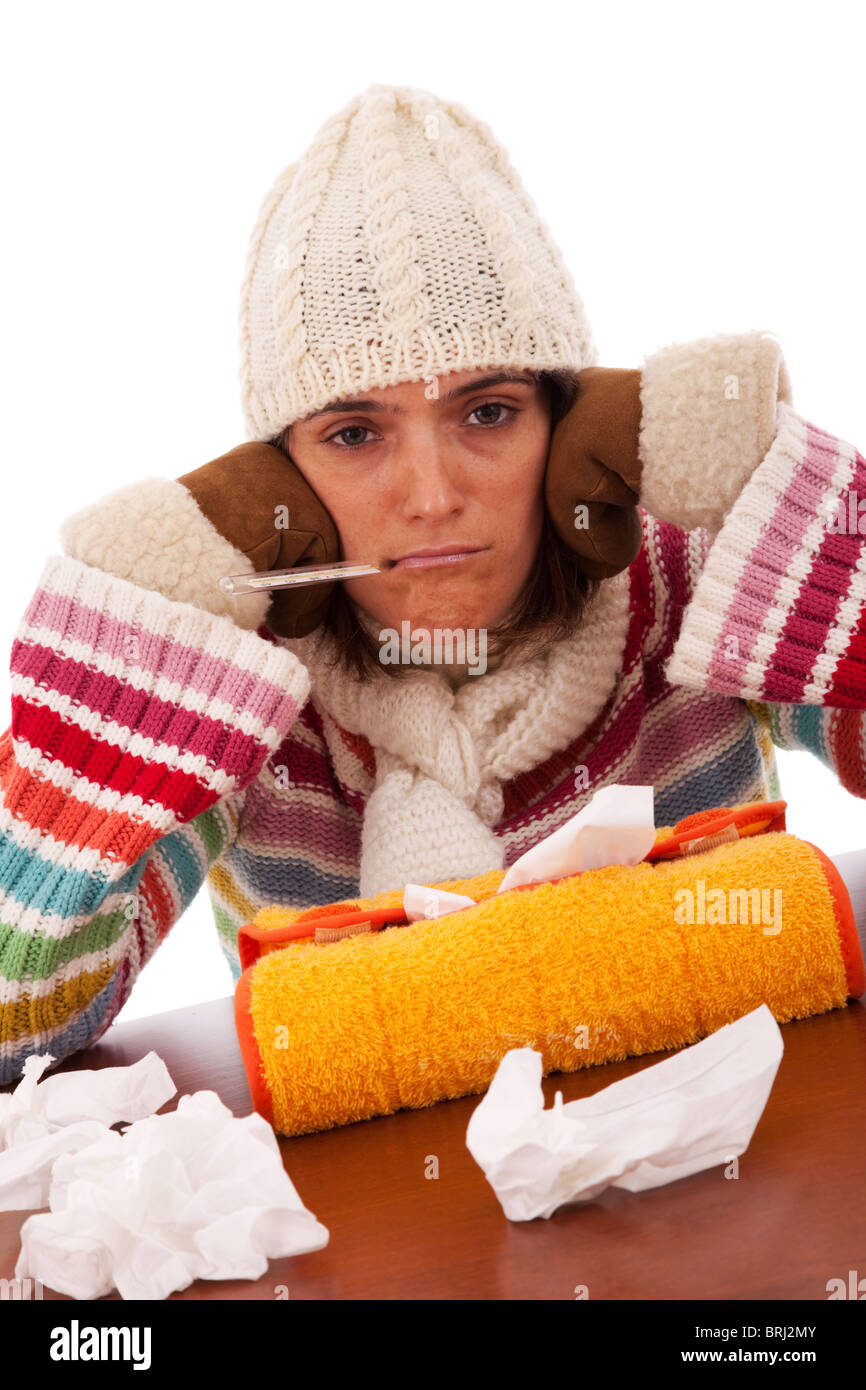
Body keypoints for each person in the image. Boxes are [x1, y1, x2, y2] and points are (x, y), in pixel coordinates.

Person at [1, 82, 864, 1086]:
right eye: (355, 434)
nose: (431, 495)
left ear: (571, 418)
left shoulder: (695, 578)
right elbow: (22, 1025)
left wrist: (772, 481)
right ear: (278, 475)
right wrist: (129, 642)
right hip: (378, 1206)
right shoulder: (240, 701)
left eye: (487, 412)